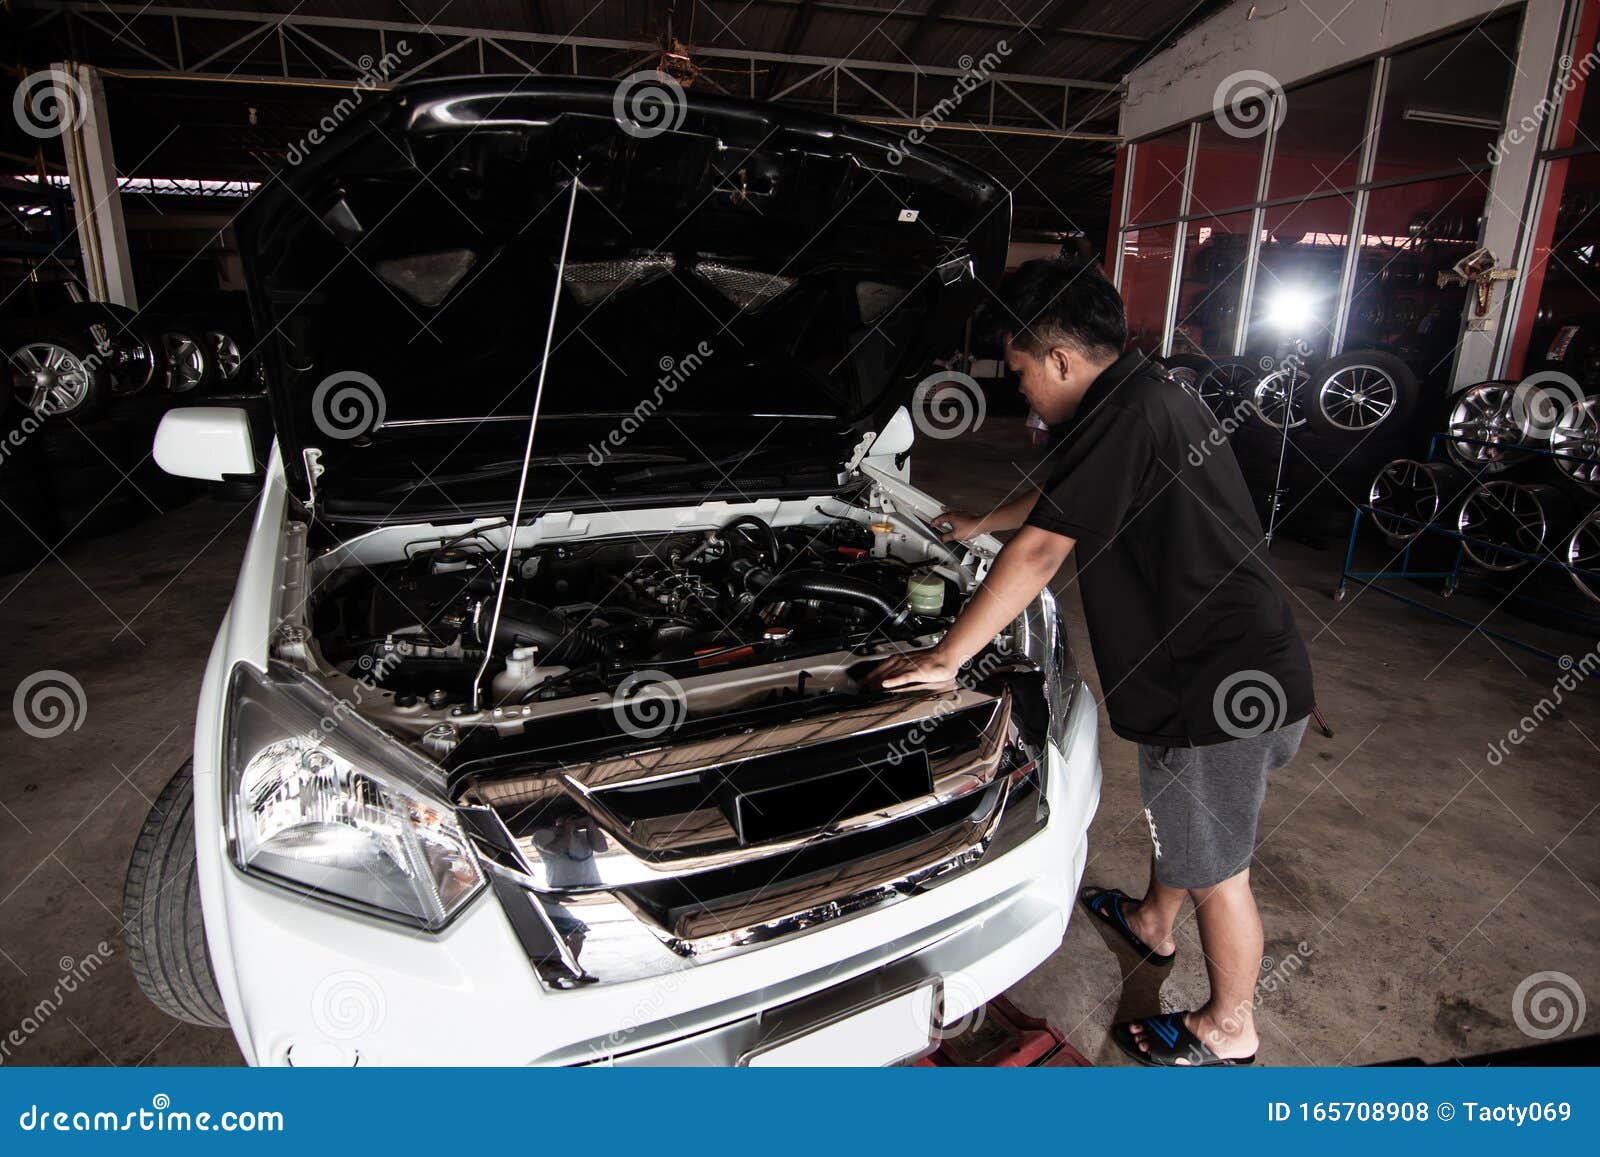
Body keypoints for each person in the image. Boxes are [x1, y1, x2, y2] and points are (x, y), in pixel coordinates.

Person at [870, 258, 1314, 1067]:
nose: (1022, 392)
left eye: (1021, 373)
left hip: (1215, 689)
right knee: (1182, 821)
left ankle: (1230, 1026)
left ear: (1061, 358)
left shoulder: (1129, 413)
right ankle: (1151, 921)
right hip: (1238, 663)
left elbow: (1044, 549)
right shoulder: (1145, 393)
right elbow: (1068, 494)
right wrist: (982, 522)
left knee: (1220, 872)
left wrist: (946, 656)